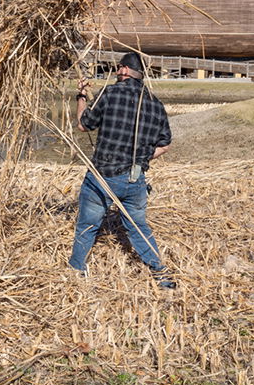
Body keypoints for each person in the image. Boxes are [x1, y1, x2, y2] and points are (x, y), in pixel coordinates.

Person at [69, 52, 175, 288]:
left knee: (88, 225)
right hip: (134, 178)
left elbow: (83, 124)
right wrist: (143, 158)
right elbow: (165, 144)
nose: (116, 72)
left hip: (102, 177)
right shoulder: (156, 105)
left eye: (118, 69)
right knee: (138, 228)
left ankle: (76, 271)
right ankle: (161, 276)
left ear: (125, 70)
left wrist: (82, 96)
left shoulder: (111, 93)